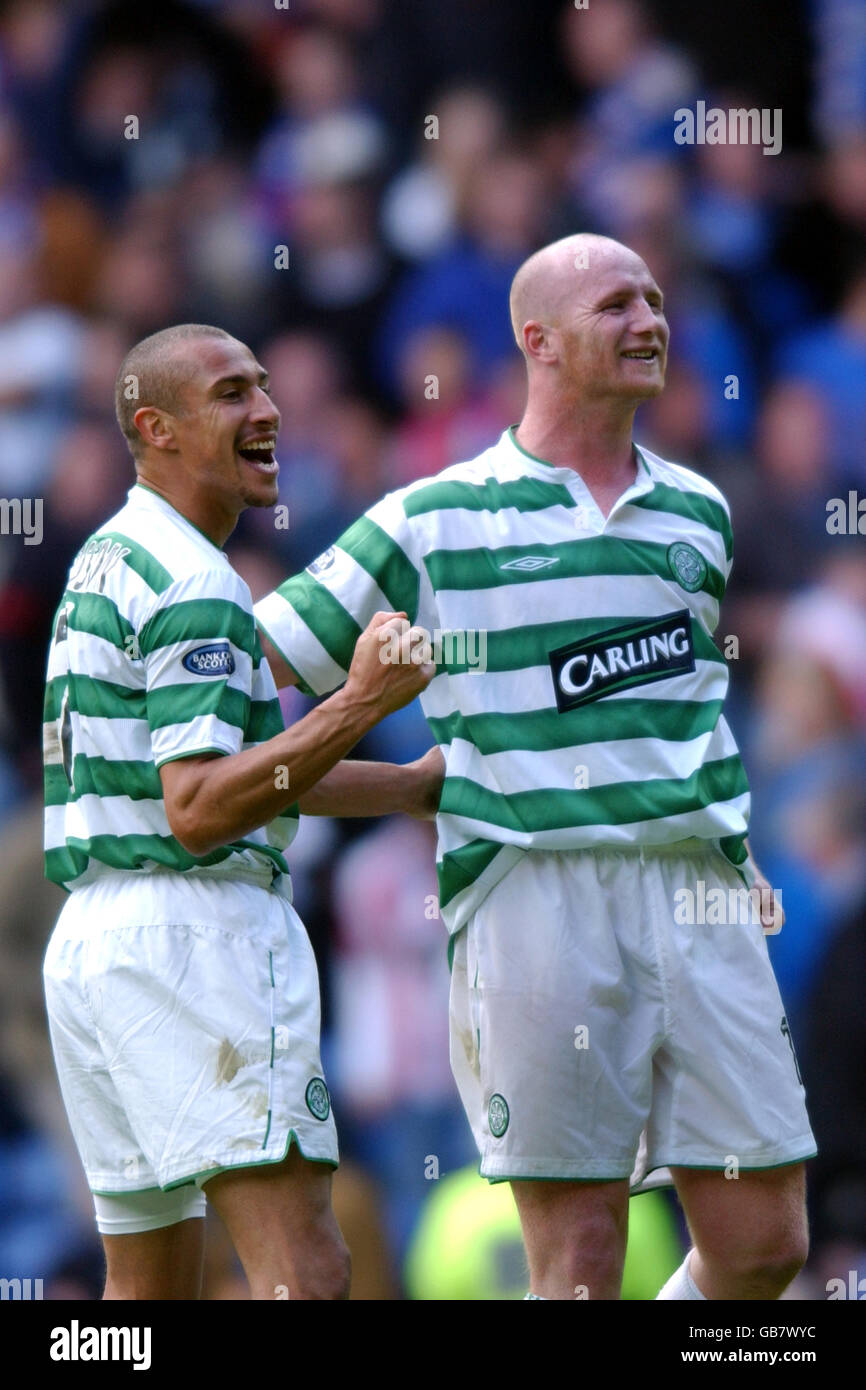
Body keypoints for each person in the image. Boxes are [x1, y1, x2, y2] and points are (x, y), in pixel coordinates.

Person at [255, 234, 816, 1300]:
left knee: (763, 1240)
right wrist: (372, 773)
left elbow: (688, 715)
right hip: (532, 889)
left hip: (696, 886)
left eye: (652, 299)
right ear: (537, 341)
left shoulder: (699, 510)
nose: (648, 319)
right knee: (579, 1259)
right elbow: (247, 677)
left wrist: (736, 861)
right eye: (614, 305)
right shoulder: (434, 517)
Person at [42, 323, 440, 1300]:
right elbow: (200, 808)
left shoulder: (110, 556)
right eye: (229, 394)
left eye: (264, 387)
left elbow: (209, 772)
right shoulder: (196, 581)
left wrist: (402, 784)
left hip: (97, 946)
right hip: (196, 937)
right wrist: (359, 703)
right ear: (156, 427)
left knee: (143, 1294)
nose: (266, 410)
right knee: (303, 1271)